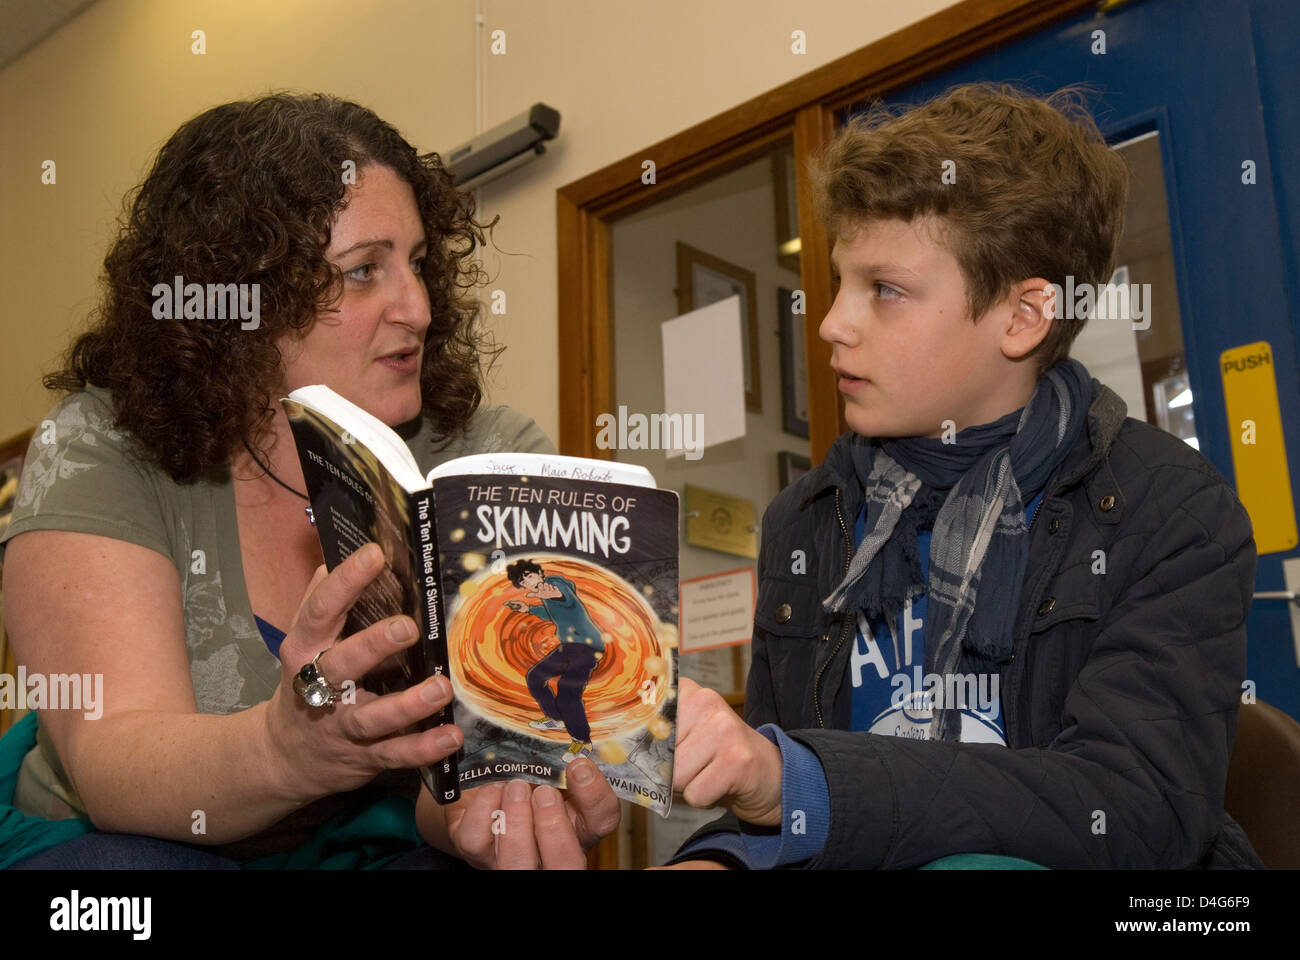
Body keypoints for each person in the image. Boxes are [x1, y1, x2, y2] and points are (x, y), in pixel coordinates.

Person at [0, 93, 619, 869]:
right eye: (364, 272)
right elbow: (115, 762)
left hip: (367, 844)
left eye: (419, 263)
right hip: (124, 844)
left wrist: (488, 809)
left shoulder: (485, 454)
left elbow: (447, 784)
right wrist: (281, 750)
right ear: (241, 302)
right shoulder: (103, 445)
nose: (419, 308)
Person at [665, 83, 1263, 869]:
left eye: (885, 290)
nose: (832, 323)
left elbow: (1134, 813)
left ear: (1023, 318)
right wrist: (718, 858)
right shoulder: (807, 518)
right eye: (842, 280)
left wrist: (806, 782)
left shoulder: (1174, 511)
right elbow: (772, 805)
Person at [503, 559, 603, 762]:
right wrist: (527, 609)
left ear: (540, 573)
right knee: (535, 677)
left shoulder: (556, 583)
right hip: (568, 646)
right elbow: (552, 612)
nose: (529, 584)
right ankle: (556, 718)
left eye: (530, 576)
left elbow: (563, 595)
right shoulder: (545, 594)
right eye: (524, 583)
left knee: (567, 693)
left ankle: (582, 741)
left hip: (587, 647)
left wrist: (553, 593)